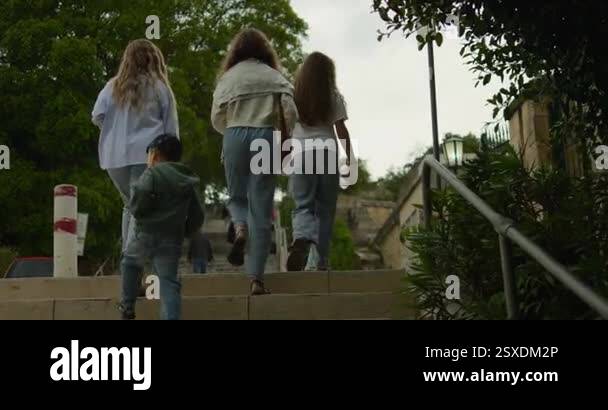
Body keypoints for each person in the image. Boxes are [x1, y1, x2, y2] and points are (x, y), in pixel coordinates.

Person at [211, 28, 298, 295]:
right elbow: (290, 111)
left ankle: (238, 226)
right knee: (261, 210)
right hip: (266, 136)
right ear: (264, 50)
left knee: (237, 197)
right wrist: (285, 138)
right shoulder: (275, 76)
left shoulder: (228, 78)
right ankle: (256, 279)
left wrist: (230, 132)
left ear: (236, 51)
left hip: (235, 133)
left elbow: (216, 116)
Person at [92, 39, 179, 252]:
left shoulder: (112, 86)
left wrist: (114, 132)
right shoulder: (160, 87)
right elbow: (170, 128)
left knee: (131, 206)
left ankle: (129, 260)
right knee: (141, 208)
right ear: (154, 59)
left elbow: (97, 116)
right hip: (147, 154)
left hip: (114, 157)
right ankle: (131, 260)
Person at [118, 134, 204, 320]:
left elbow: (140, 194)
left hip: (145, 233)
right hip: (172, 238)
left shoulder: (152, 173)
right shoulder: (187, 180)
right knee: (168, 282)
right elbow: (197, 213)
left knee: (130, 264)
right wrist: (186, 230)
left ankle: (127, 308)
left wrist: (138, 212)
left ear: (155, 154)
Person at [286, 52, 352, 272]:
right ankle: (320, 262)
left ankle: (302, 236)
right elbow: (341, 130)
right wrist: (350, 159)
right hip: (327, 152)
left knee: (303, 205)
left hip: (302, 153)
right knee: (325, 210)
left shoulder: (294, 96)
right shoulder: (333, 95)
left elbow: (283, 126)